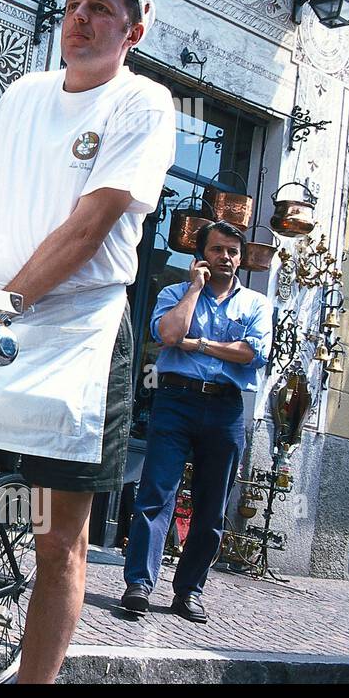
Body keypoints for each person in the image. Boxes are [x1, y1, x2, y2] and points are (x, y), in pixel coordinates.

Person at [0, 0, 176, 684]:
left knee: (58, 537)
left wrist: (6, 302)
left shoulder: (143, 104)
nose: (81, 20)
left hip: (82, 334)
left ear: (133, 30)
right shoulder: (24, 94)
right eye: (73, 6)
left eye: (101, 9)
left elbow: (90, 226)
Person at [121, 221, 271, 622]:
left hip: (225, 409)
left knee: (212, 508)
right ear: (201, 255)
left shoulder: (255, 304)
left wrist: (200, 344)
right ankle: (138, 584)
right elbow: (170, 335)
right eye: (218, 250)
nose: (226, 258)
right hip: (175, 401)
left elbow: (251, 352)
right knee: (156, 494)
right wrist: (193, 289)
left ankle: (189, 591)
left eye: (233, 252)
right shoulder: (175, 292)